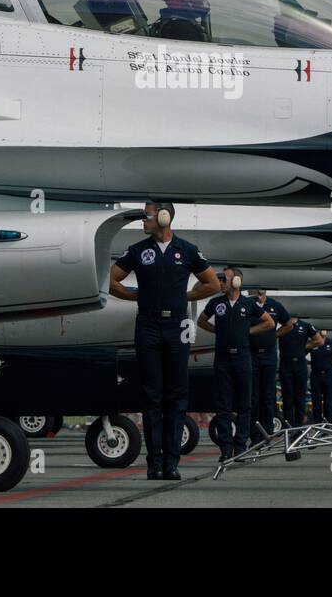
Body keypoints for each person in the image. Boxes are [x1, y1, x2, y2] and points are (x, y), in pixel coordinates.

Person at [109, 200, 220, 480]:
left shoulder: (187, 250)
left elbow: (212, 284)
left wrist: (186, 297)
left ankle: (172, 462)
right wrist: (136, 296)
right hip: (148, 325)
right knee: (152, 395)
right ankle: (154, 462)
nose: (143, 220)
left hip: (177, 325)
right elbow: (111, 281)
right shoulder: (138, 250)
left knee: (176, 393)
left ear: (164, 216)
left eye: (147, 215)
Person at [198, 269, 273, 461]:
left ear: (237, 280)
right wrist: (218, 331)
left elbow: (269, 322)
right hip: (222, 357)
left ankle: (240, 447)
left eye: (224, 278)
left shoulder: (248, 304)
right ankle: (225, 449)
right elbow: (201, 321)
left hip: (242, 356)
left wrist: (248, 331)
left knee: (244, 404)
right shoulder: (216, 302)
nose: (221, 281)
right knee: (223, 405)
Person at [247, 284, 292, 443]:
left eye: (261, 288)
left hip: (269, 355)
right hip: (251, 353)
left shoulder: (275, 306)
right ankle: (255, 435)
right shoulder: (246, 305)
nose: (258, 291)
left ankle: (268, 433)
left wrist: (275, 335)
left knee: (268, 396)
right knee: (253, 397)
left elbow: (288, 324)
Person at [277, 316, 317, 426]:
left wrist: (302, 347)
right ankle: (288, 427)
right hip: (286, 364)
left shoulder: (305, 326)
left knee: (300, 399)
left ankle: (298, 428)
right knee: (287, 398)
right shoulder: (281, 325)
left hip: (300, 364)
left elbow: (319, 340)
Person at [307, 330, 332, 423]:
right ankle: (318, 423)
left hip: (328, 375)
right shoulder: (313, 343)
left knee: (329, 402)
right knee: (316, 401)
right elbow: (301, 354)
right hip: (316, 374)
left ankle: (329, 423)